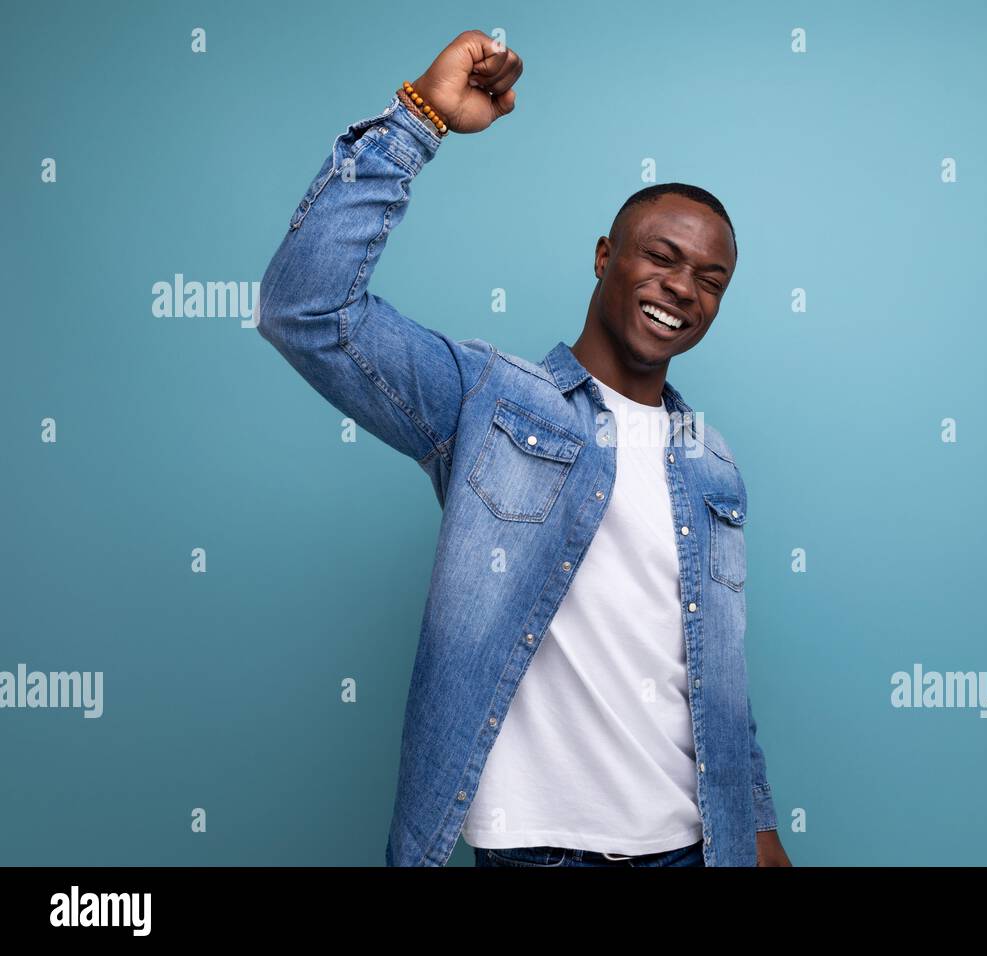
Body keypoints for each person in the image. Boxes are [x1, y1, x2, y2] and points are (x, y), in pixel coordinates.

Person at [257, 29, 791, 868]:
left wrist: (757, 828)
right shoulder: (492, 401)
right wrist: (420, 118)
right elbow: (307, 310)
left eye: (711, 279)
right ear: (605, 257)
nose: (683, 288)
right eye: (662, 257)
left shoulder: (710, 462)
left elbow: (715, 677)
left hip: (697, 848)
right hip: (539, 854)